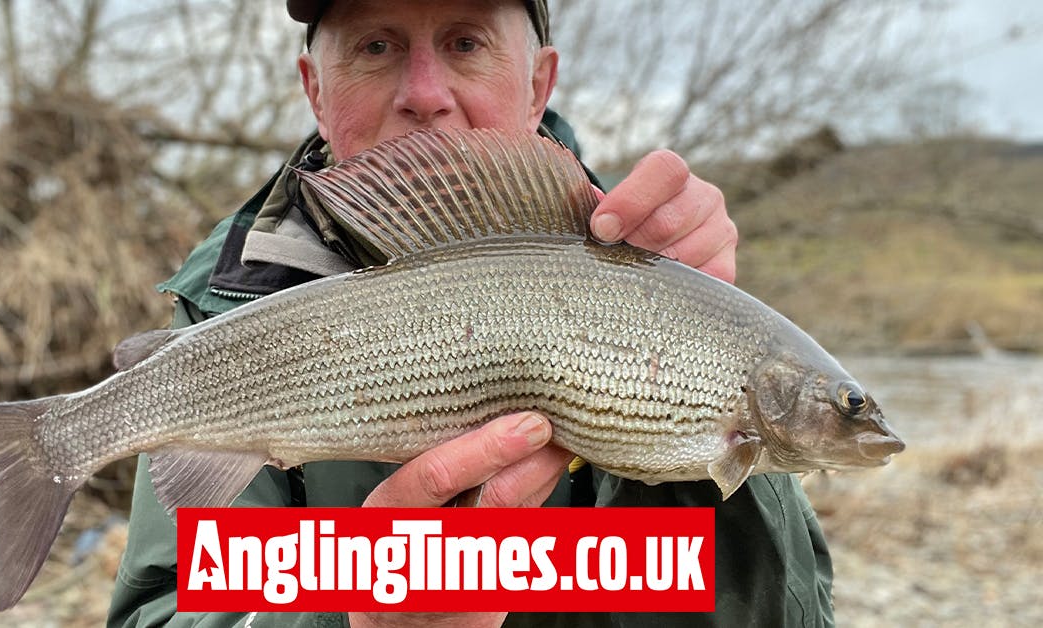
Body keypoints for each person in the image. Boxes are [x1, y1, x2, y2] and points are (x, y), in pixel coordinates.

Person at [107, 1, 834, 626]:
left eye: (465, 43)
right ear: (315, 91)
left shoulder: (666, 280)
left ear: (537, 86)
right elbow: (167, 611)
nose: (425, 93)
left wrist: (699, 402)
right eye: (375, 46)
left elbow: (782, 613)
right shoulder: (224, 315)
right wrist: (355, 614)